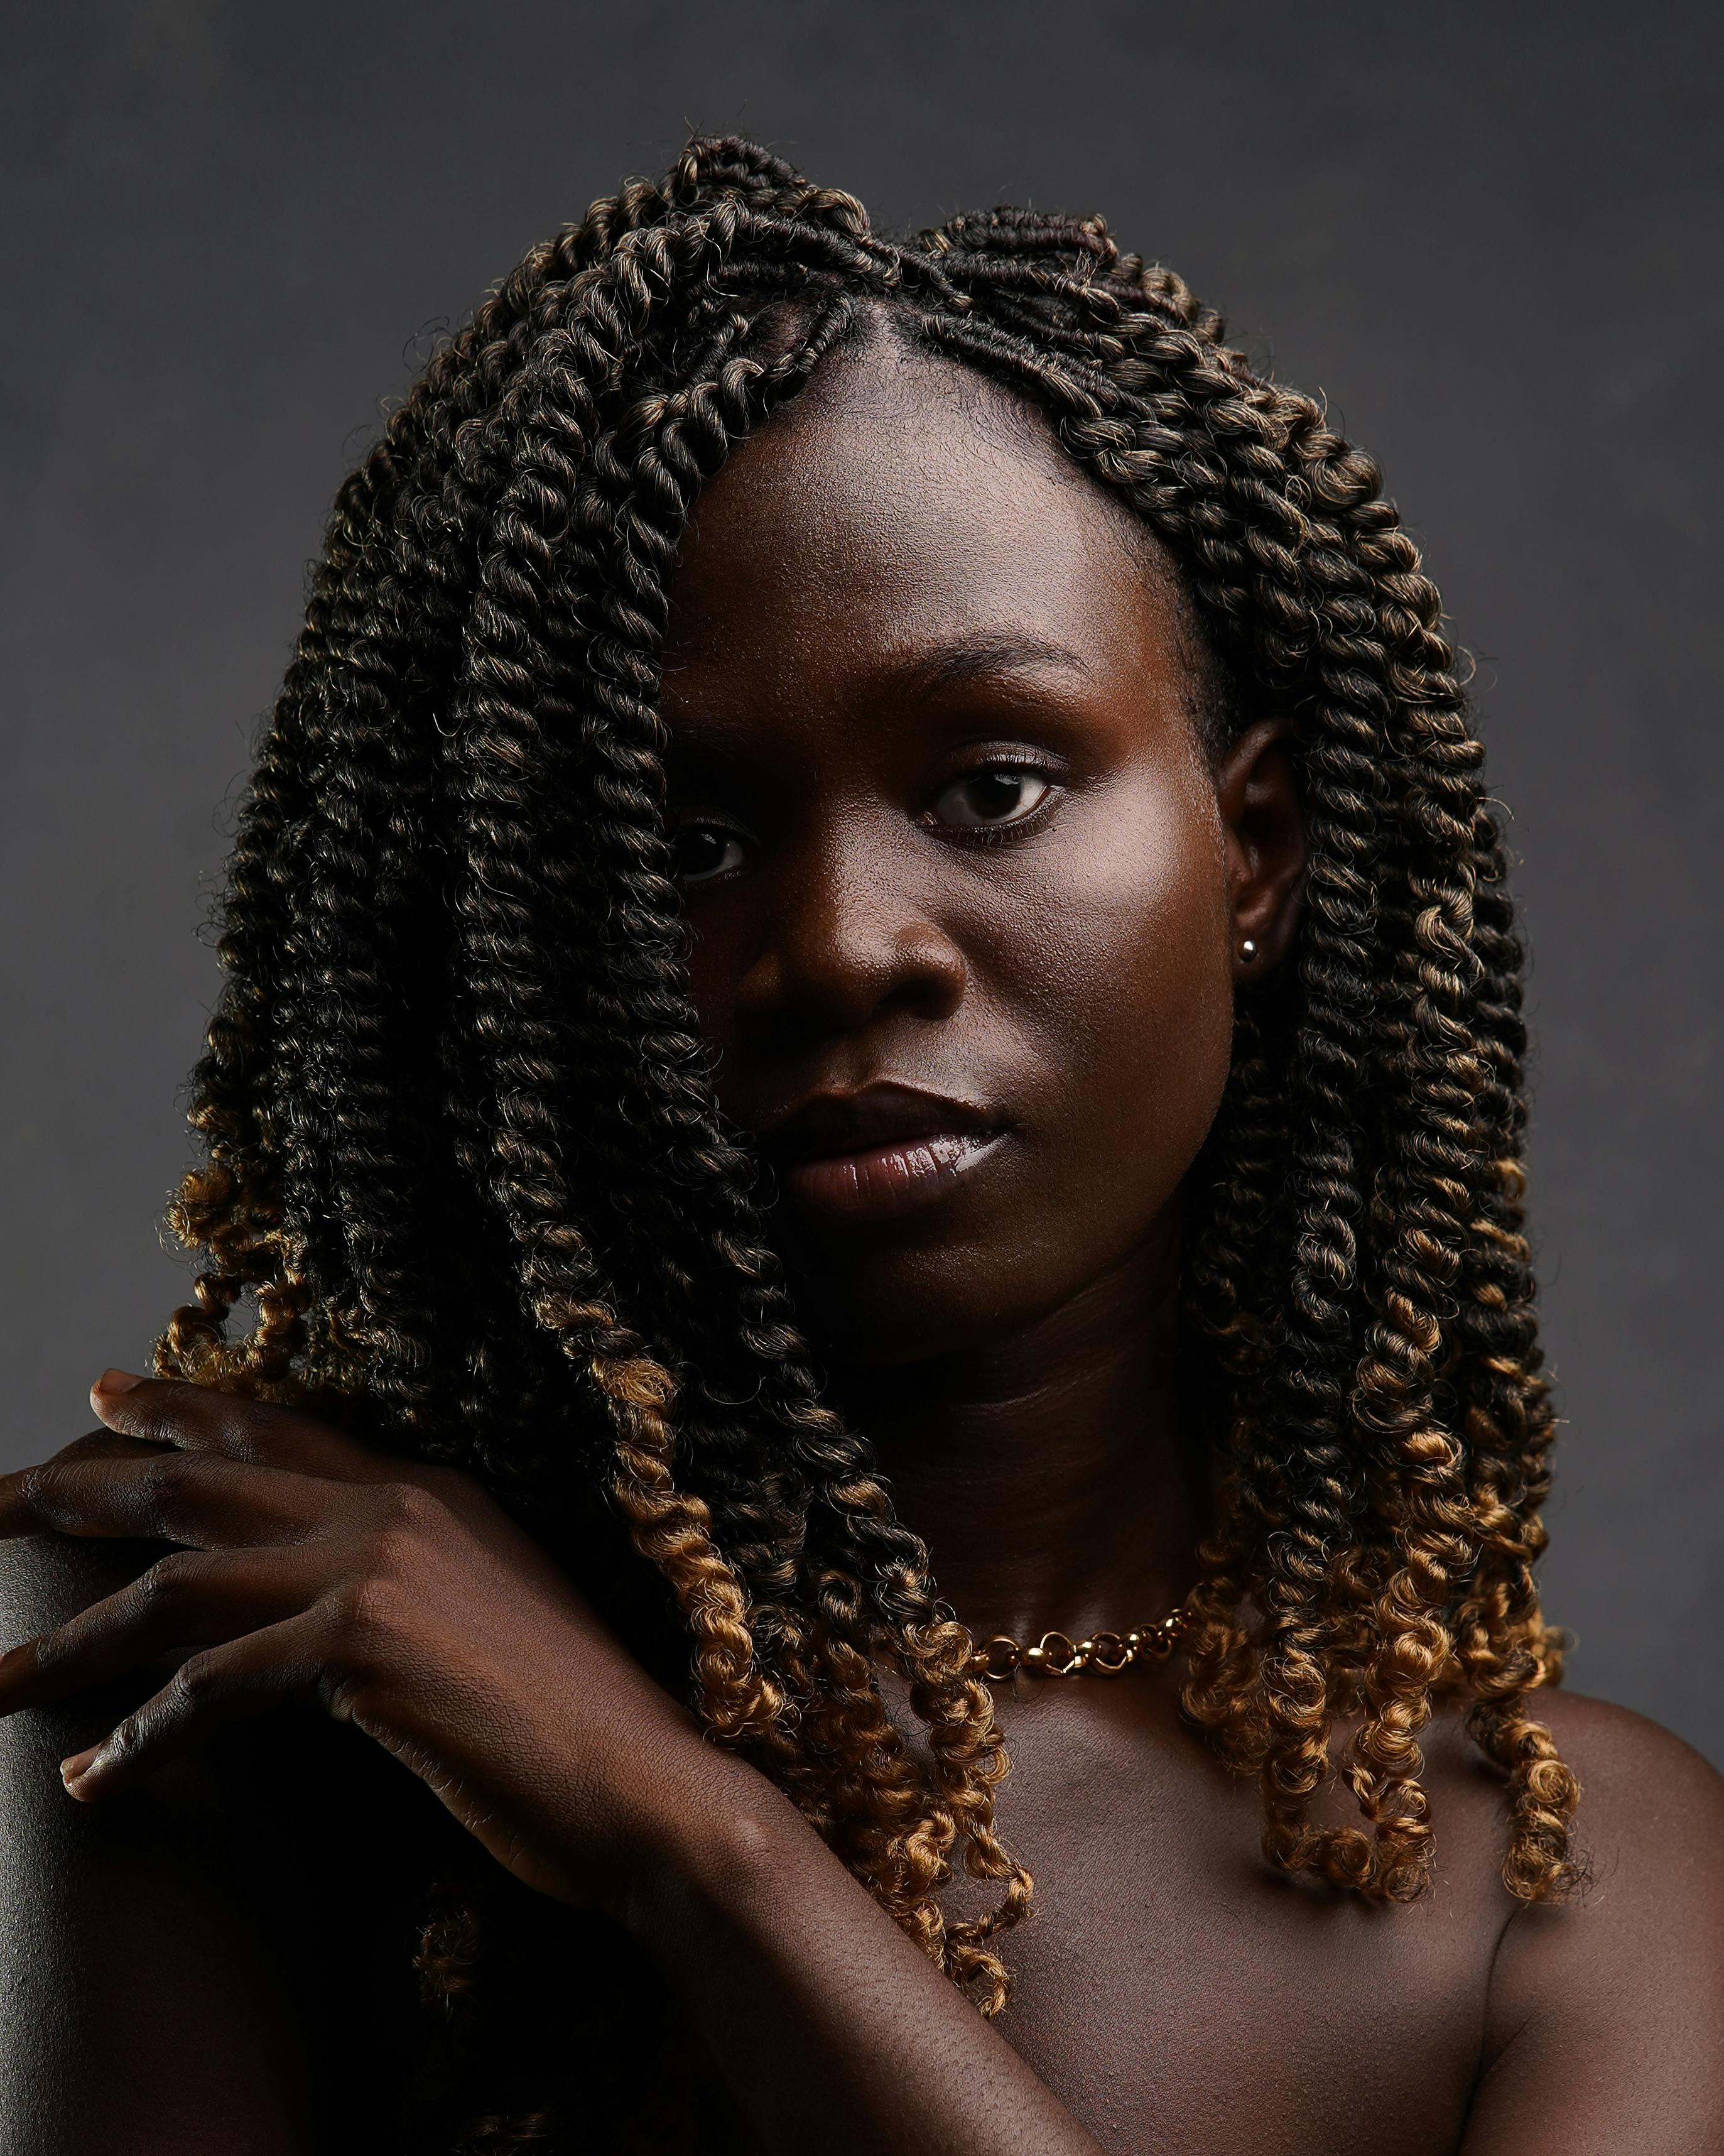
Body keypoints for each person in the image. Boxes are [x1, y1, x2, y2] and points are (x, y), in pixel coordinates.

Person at [1, 134, 1719, 2155]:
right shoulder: (263, 1663)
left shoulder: (1567, 1891)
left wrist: (695, 1850)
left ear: (1252, 850)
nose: (837, 948)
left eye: (989, 785)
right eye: (677, 842)